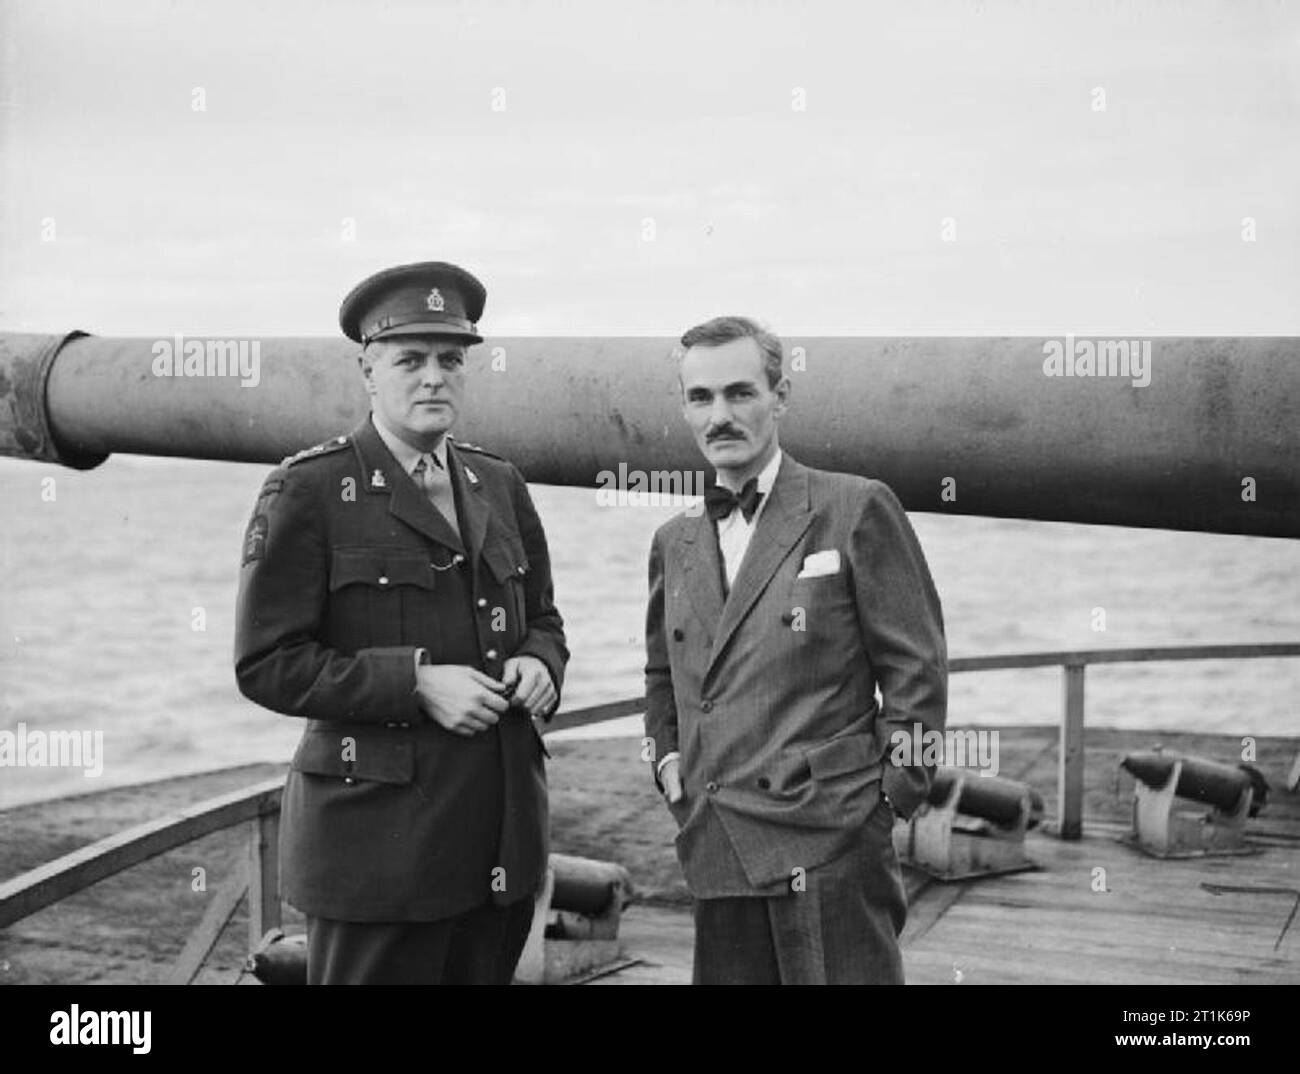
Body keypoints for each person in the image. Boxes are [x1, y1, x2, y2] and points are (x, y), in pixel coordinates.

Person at [234, 261, 567, 984]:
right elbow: (266, 663)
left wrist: (541, 661)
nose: (433, 378)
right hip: (378, 855)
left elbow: (541, 616)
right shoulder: (311, 490)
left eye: (451, 360)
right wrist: (415, 684)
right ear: (368, 369)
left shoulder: (498, 482)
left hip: (500, 842)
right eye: (410, 360)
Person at [644, 315, 947, 984]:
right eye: (701, 398)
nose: (720, 415)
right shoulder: (675, 539)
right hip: (718, 836)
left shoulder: (855, 507)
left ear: (780, 396)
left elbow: (915, 671)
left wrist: (893, 795)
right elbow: (664, 672)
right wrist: (669, 762)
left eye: (740, 393)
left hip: (830, 842)